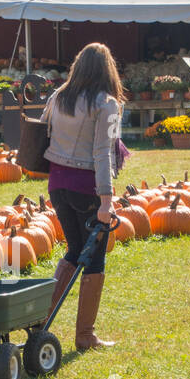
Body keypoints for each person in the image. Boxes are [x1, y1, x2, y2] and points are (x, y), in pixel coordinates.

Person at [40, 42, 124, 350]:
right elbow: (103, 153)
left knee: (75, 250)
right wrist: (106, 200)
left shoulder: (59, 95)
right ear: (108, 71)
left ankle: (41, 318)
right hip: (86, 187)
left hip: (57, 184)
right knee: (94, 259)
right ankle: (85, 335)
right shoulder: (107, 104)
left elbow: (45, 133)